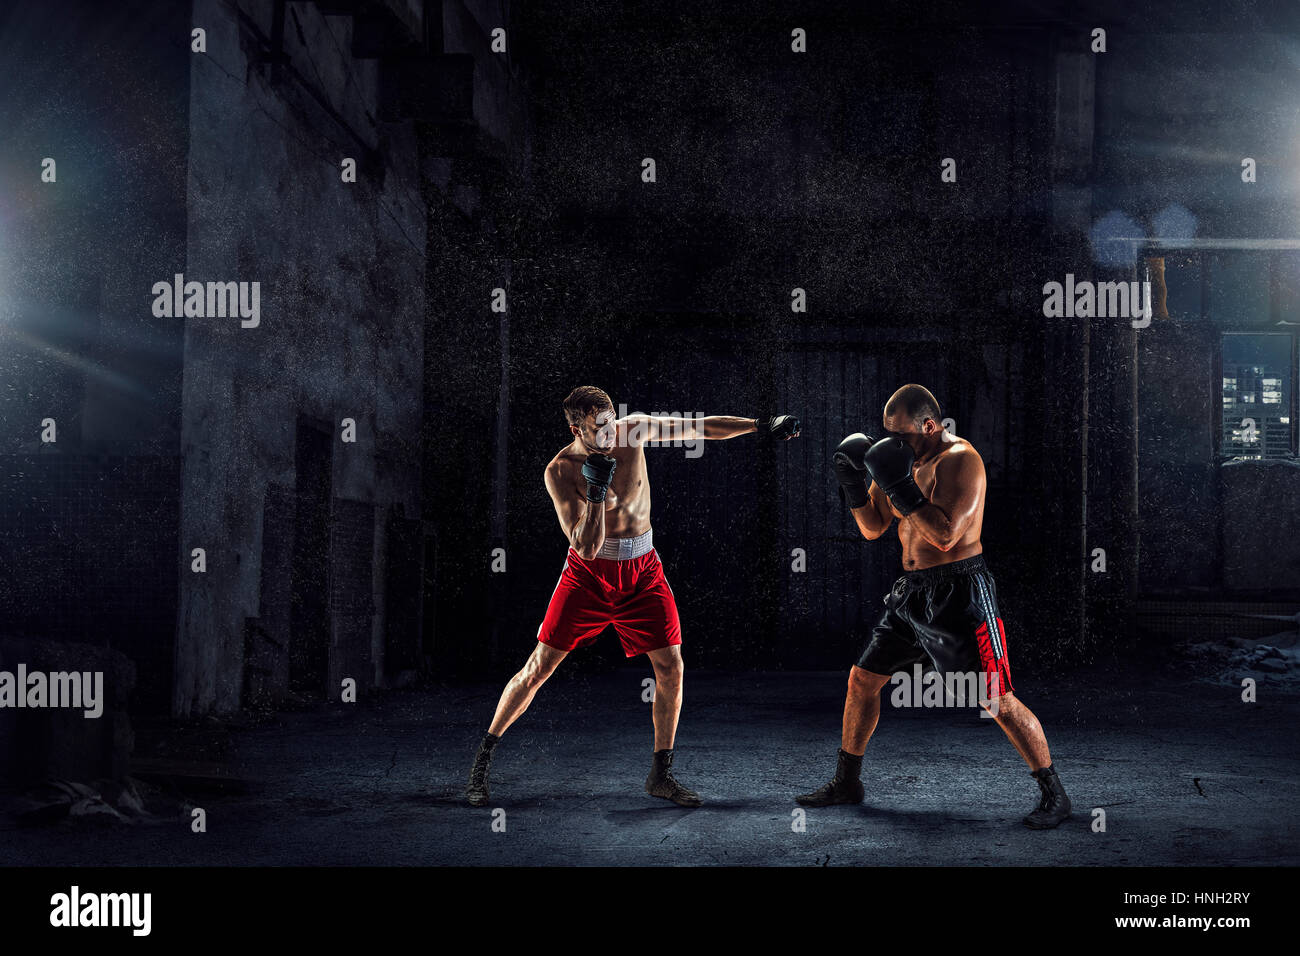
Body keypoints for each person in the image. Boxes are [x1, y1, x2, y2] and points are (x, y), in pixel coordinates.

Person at [467, 385, 801, 808]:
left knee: (671, 666)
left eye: (611, 421)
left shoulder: (633, 430)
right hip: (588, 576)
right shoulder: (560, 470)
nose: (610, 433)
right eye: (598, 427)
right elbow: (585, 547)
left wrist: (760, 425)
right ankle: (482, 761)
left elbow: (699, 428)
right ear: (576, 428)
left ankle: (661, 775)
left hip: (643, 571)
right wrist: (594, 495)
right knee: (538, 669)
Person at [797, 384, 1071, 829]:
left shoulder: (961, 461)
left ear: (930, 425)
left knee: (995, 699)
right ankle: (848, 782)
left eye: (903, 435)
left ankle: (1054, 794)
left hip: (960, 592)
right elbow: (873, 528)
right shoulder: (903, 459)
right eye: (889, 435)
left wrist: (897, 481)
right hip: (912, 594)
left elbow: (944, 535)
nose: (894, 444)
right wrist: (852, 484)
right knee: (862, 680)